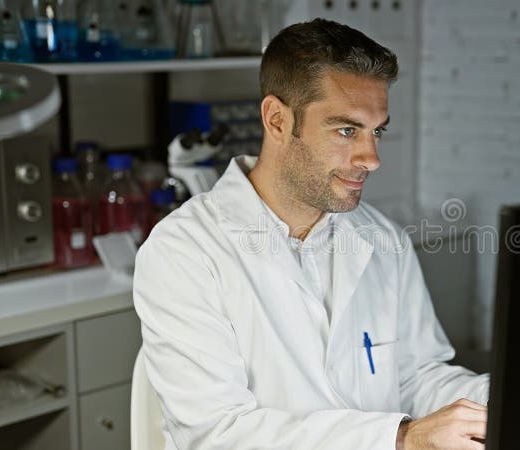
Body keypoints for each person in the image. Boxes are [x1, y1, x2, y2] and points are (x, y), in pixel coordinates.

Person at [134, 18, 489, 450]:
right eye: (347, 130)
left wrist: (506, 401)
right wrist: (399, 439)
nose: (372, 158)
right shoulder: (183, 251)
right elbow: (217, 434)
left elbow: (416, 374)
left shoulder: (383, 239)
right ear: (278, 120)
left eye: (376, 131)